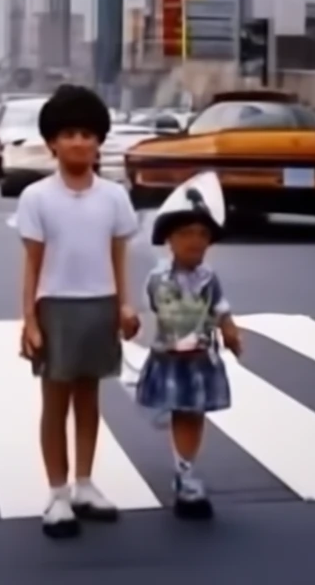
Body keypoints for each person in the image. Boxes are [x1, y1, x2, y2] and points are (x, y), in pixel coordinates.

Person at [15, 84, 141, 538]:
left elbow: (118, 257)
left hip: (100, 305)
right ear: (51, 142)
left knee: (90, 399)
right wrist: (29, 320)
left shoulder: (113, 197)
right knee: (56, 401)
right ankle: (56, 493)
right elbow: (31, 264)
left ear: (99, 141)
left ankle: (85, 483)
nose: (79, 142)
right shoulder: (37, 197)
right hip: (56, 308)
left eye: (88, 133)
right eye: (69, 133)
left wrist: (124, 305)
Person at [134, 171, 241, 519]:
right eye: (185, 234)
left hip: (201, 358)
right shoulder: (158, 279)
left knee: (194, 413)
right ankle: (183, 467)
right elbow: (158, 309)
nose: (195, 242)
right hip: (171, 357)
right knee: (180, 410)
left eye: (202, 235)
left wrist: (230, 329)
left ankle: (186, 470)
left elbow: (220, 305)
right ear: (169, 240)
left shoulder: (210, 277)